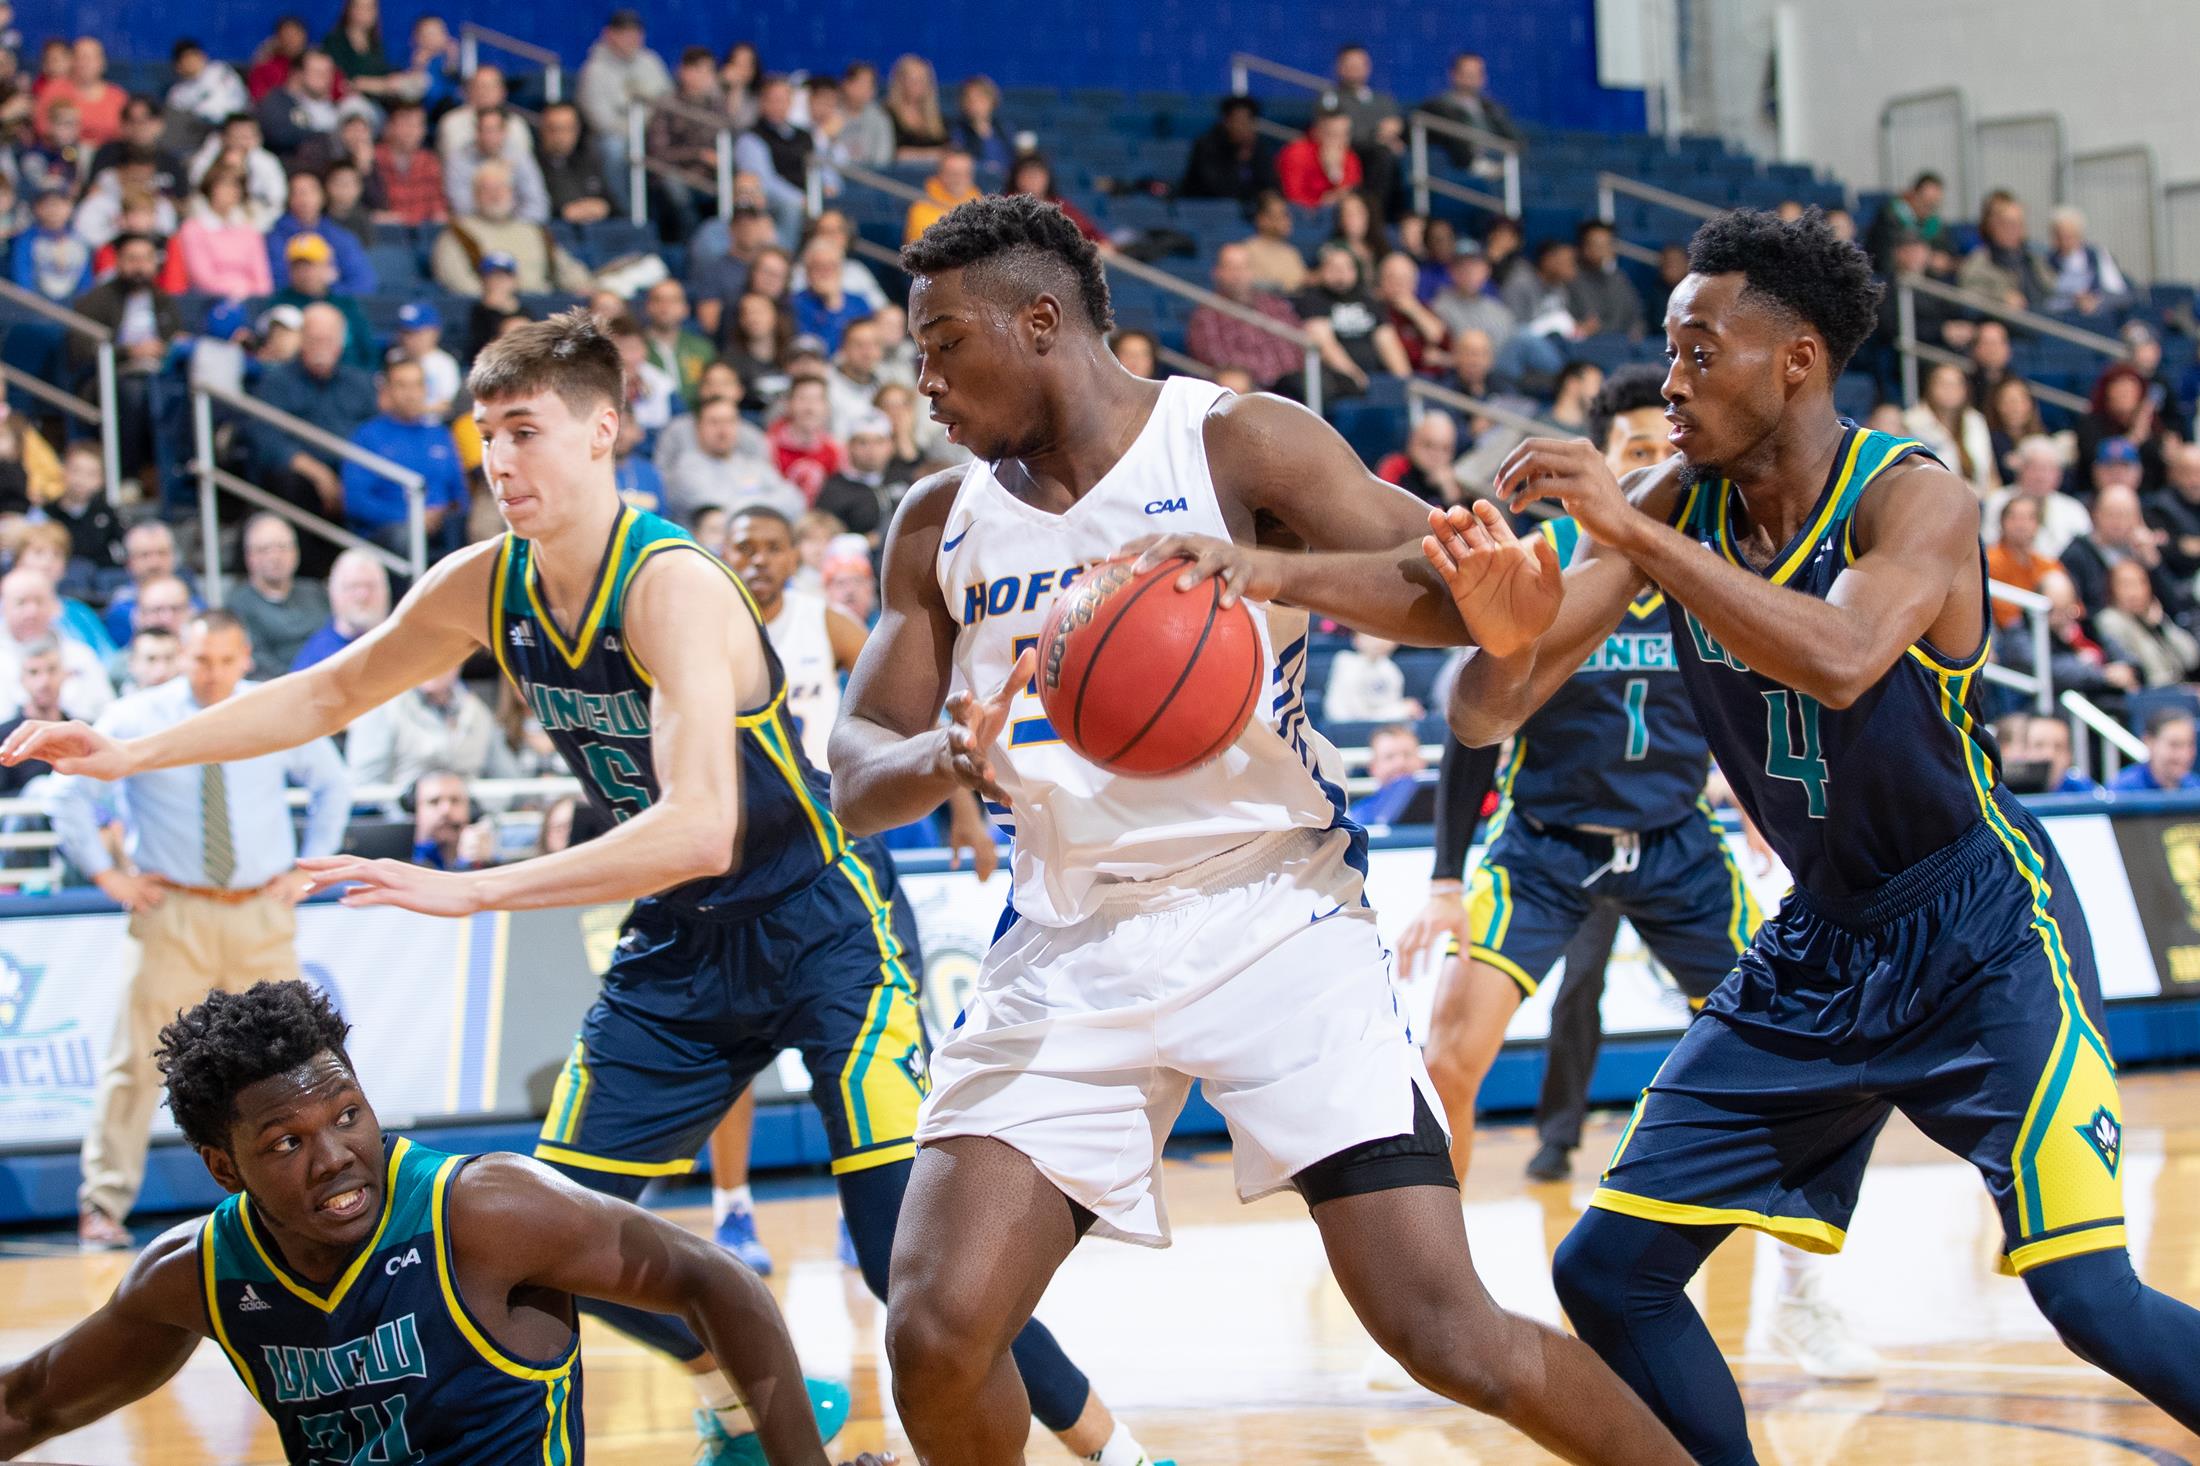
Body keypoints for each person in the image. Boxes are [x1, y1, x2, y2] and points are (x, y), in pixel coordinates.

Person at [2, 308, 1156, 1466]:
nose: (500, 459)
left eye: (525, 430)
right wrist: (122, 748)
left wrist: (471, 890)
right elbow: (327, 691)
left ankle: (1113, 1448)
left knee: (901, 1252)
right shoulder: (484, 583)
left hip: (820, 923)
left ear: (603, 430)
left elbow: (701, 826)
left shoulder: (673, 587)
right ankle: (732, 1396)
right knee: (548, 1224)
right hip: (681, 944)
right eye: (485, 434)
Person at [832, 191, 1691, 1465]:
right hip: (1071, 936)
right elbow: (853, 773)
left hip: (1275, 915)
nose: (923, 377)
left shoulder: (1235, 442)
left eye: (943, 341)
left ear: (1038, 320)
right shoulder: (935, 521)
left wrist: (1302, 573)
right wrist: (943, 752)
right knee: (938, 1329)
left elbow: (1458, 597)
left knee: (1443, 1328)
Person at [1434, 205, 2200, 1459]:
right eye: (1668, 355)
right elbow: (1485, 708)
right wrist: (1500, 619)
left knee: (2086, 1295)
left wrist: (1626, 527)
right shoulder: (1670, 503)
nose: (1670, 384)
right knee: (1607, 1270)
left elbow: (1843, 658)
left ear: (1794, 358)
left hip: (1982, 926)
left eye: (1699, 352)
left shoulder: (1915, 496)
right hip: (1823, 942)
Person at [0, 980, 889, 1466]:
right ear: (222, 1168)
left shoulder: (484, 1209)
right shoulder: (196, 1272)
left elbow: (713, 1277)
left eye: (347, 1115)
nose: (336, 1155)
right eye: (286, 1143)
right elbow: (33, 1401)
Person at [47, 612, 349, 1249]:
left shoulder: (274, 708)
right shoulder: (136, 717)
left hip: (260, 910)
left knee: (299, 1062)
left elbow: (332, 784)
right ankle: (102, 1202)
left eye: (224, 659)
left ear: (245, 657)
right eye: (199, 659)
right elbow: (66, 794)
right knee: (135, 1061)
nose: (211, 672)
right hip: (173, 910)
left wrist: (307, 871)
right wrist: (108, 876)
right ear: (181, 656)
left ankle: (320, 1194)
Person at [343, 356, 471, 557]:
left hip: (441, 527)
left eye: (417, 385)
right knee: (406, 536)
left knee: (469, 528)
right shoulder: (367, 436)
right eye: (402, 386)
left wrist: (440, 514)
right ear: (388, 391)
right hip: (390, 531)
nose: (411, 394)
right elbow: (357, 501)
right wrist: (412, 517)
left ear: (426, 389)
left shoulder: (440, 434)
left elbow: (459, 493)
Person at [348, 669, 507, 788]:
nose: (434, 666)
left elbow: (505, 777)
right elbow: (365, 784)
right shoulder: (384, 707)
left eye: (443, 655)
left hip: (467, 818)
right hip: (402, 822)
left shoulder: (477, 711)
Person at [1186, 241, 1303, 390]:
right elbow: (1218, 360)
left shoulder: (1276, 306)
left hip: (1289, 388)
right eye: (1231, 268)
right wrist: (1268, 374)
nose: (1238, 275)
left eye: (1244, 267)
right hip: (1248, 392)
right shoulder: (1206, 316)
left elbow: (1298, 347)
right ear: (1217, 273)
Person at [225, 513, 329, 678]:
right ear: (249, 557)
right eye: (264, 549)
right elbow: (256, 661)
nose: (275, 557)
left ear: (295, 552)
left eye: (282, 547)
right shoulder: (238, 605)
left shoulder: (315, 593)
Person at [575, 8, 671, 184]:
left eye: (635, 33)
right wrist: (635, 131)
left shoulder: (651, 61)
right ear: (608, 34)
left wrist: (651, 129)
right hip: (614, 136)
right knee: (614, 148)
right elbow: (600, 121)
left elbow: (668, 100)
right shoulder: (593, 70)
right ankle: (626, 209)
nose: (631, 39)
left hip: (653, 133)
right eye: (624, 33)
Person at [2093, 559, 2200, 688]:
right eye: (2126, 585)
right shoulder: (2110, 620)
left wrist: (2161, 626)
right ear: (2111, 589)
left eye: (2140, 583)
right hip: (2153, 695)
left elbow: (2191, 658)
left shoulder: (2153, 616)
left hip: (2179, 688)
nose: (2134, 592)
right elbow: (2151, 673)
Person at [1903, 360, 1998, 493]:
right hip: (1933, 495)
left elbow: (1992, 474)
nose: (1950, 390)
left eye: (1956, 384)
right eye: (1943, 384)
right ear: (1930, 387)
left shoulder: (1975, 420)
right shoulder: (1913, 421)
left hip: (1978, 499)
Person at [291, 546, 389, 670]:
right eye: (353, 586)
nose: (363, 596)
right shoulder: (316, 659)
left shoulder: (404, 643)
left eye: (370, 586)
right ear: (334, 593)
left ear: (386, 591)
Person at [1416, 51, 1522, 167]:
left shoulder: (1494, 108)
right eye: (1467, 73)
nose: (1472, 78)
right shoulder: (1437, 106)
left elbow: (1514, 139)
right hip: (1461, 166)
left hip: (1496, 162)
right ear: (1454, 74)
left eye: (1477, 74)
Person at [1179, 94, 1279, 206]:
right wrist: (1240, 160)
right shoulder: (1206, 146)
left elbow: (1270, 185)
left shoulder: (1258, 146)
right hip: (1206, 209)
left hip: (1248, 209)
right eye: (1238, 121)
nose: (1243, 127)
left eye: (1248, 122)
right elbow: (1216, 188)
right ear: (1226, 122)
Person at [536, 101, 616, 226]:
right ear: (542, 129)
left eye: (568, 128)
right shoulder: (531, 163)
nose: (560, 136)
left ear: (578, 130)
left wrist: (604, 206)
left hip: (596, 232)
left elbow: (615, 206)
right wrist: (561, 212)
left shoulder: (589, 159)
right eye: (554, 129)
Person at [2044, 206, 2132, 316]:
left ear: (2080, 236)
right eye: (2059, 237)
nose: (2064, 243)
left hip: (2095, 318)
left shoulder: (2096, 256)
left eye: (2069, 237)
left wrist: (2096, 301)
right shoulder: (2044, 262)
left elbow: (2120, 294)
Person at [373, 98, 446, 226]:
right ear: (390, 127)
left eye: (417, 125)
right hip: (386, 233)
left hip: (423, 233)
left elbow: (437, 207)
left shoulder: (430, 161)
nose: (411, 131)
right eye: (406, 123)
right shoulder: (374, 158)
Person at [1322, 632, 1424, 723]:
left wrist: (1402, 710)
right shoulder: (1345, 662)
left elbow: (1389, 713)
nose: (1380, 641)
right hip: (1345, 731)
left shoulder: (1391, 669)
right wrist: (1401, 710)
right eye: (1372, 635)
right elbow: (1358, 716)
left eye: (1385, 635)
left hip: (1382, 730)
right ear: (1356, 639)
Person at [1275, 106, 1360, 209]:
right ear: (1316, 132)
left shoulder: (1349, 156)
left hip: (1337, 215)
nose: (1339, 140)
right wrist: (1321, 203)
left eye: (1344, 134)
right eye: (1332, 134)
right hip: (1301, 215)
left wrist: (1334, 172)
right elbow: (1294, 198)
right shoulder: (1296, 153)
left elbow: (1349, 195)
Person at [1864, 170, 1947, 272]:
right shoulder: (1890, 215)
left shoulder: (1933, 223)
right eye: (1926, 201)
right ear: (1913, 195)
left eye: (1934, 204)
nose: (1929, 208)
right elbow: (1880, 255)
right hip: (1893, 276)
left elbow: (1945, 254)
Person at [1346, 723, 1426, 825]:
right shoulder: (1357, 818)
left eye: (1407, 755)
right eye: (1389, 757)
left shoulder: (1441, 808)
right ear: (1373, 767)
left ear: (1422, 762)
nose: (1400, 763)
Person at [903, 148, 982, 244]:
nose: (959, 180)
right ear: (941, 174)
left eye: (964, 174)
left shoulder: (981, 206)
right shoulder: (921, 208)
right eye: (953, 174)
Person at [2110, 708, 2200, 793]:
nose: (2184, 755)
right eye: (2174, 745)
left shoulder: (2196, 787)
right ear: (2149, 742)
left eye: (2190, 744)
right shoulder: (2122, 791)